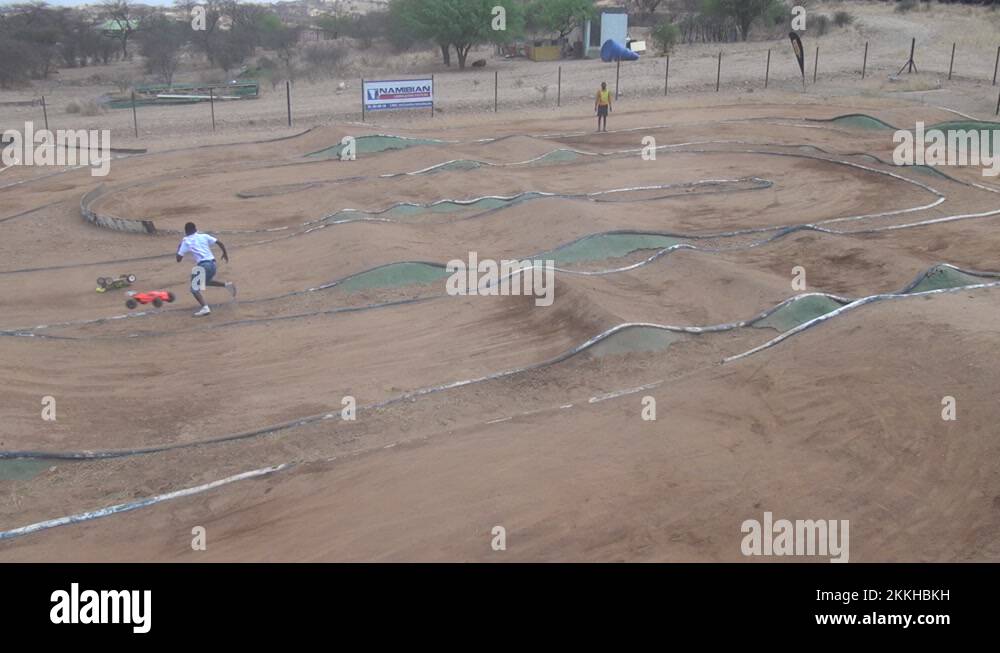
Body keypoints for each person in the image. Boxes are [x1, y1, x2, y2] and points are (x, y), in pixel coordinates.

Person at [176, 222, 236, 317]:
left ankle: (205, 308)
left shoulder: (186, 241)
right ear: (195, 229)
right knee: (206, 282)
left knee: (194, 289)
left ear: (186, 232)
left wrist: (179, 248)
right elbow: (219, 243)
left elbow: (178, 259)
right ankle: (227, 285)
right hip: (213, 264)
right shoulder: (203, 236)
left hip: (203, 265)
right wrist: (225, 253)